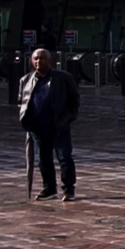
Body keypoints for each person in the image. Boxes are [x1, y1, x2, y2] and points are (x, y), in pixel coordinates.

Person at [18, 49, 80, 201]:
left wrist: (68, 117)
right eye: (36, 59)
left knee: (64, 157)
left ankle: (69, 189)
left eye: (42, 59)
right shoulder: (26, 80)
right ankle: (49, 188)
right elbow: (21, 101)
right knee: (44, 160)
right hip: (38, 128)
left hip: (59, 125)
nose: (38, 62)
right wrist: (26, 120)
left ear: (49, 60)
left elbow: (74, 99)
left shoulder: (63, 78)